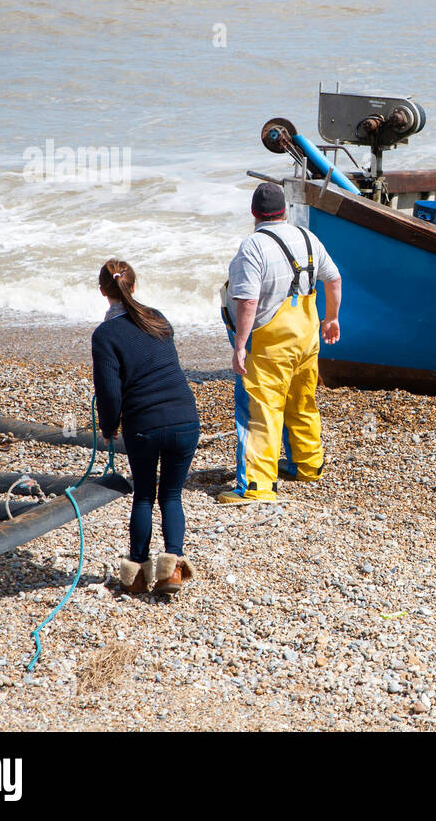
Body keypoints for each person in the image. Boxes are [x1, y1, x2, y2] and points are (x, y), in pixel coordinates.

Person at [219, 182, 341, 505]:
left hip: (270, 344)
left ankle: (257, 486)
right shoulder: (307, 237)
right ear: (285, 211)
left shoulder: (253, 247)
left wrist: (240, 345)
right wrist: (332, 319)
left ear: (254, 213)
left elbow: (247, 301)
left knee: (261, 408)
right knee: (302, 400)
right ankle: (308, 464)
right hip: (306, 334)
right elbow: (334, 278)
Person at [91, 260, 201, 596]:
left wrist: (108, 427)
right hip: (185, 417)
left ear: (102, 292)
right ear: (134, 287)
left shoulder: (105, 334)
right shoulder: (158, 318)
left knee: (143, 496)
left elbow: (109, 392)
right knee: (171, 494)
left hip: (145, 425)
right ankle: (173, 571)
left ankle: (137, 574)